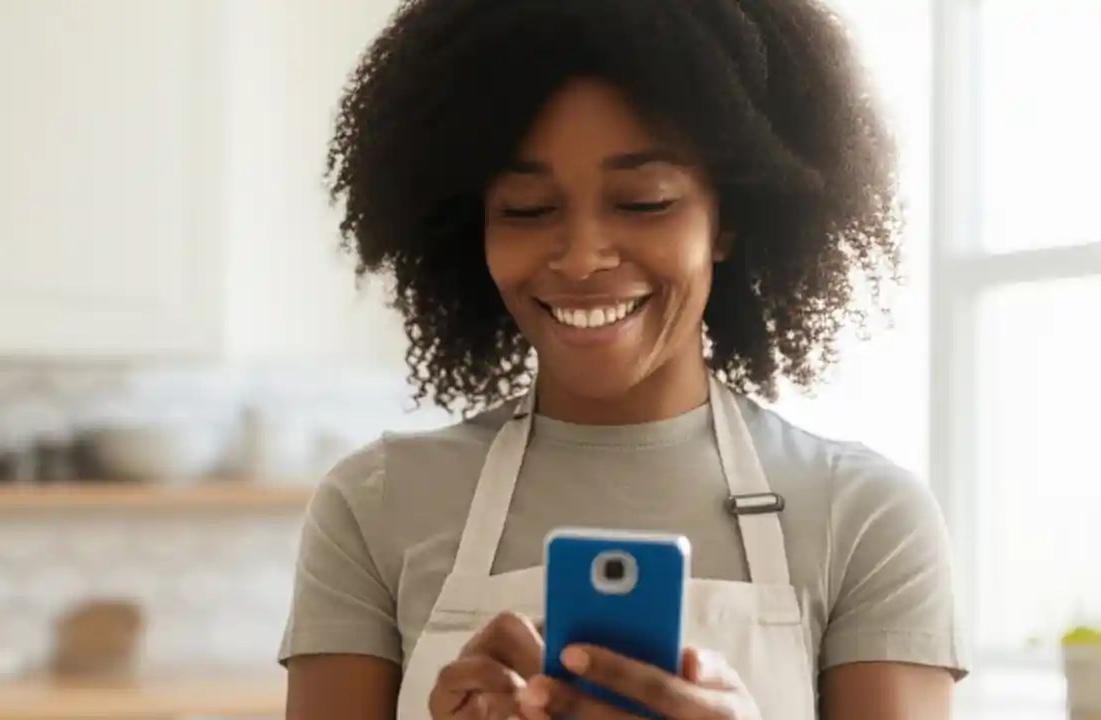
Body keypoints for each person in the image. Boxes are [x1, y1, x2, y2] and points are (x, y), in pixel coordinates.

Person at [279, 0, 969, 718]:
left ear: (727, 221)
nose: (581, 258)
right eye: (525, 208)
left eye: (644, 202)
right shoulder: (374, 505)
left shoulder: (863, 518)